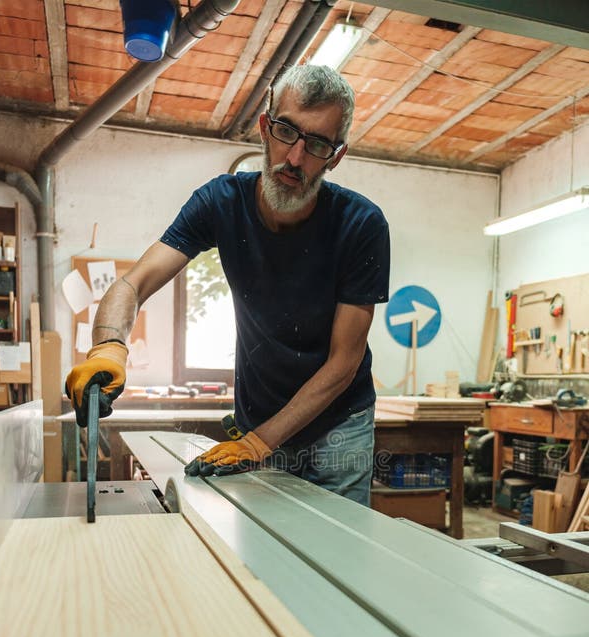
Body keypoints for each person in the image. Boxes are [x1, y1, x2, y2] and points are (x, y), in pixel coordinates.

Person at [66, 64, 390, 505]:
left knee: (336, 552)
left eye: (316, 144)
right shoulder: (219, 202)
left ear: (336, 156)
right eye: (286, 131)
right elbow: (133, 283)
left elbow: (343, 364)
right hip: (259, 413)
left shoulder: (361, 225)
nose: (294, 158)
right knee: (259, 550)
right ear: (264, 127)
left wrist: (258, 443)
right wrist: (108, 347)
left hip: (338, 425)